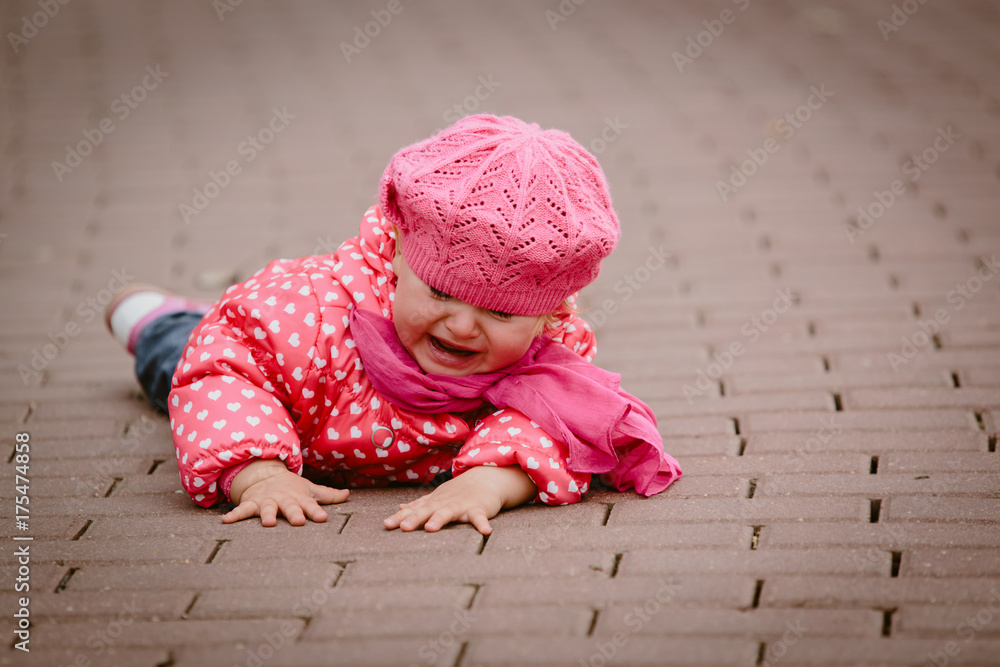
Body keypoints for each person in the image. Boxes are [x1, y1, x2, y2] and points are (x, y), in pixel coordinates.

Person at [106, 114, 682, 534]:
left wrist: (489, 483)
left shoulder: (550, 357)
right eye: (438, 292)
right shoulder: (310, 314)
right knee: (180, 357)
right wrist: (257, 475)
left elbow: (552, 428)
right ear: (398, 252)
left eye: (500, 312)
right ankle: (151, 318)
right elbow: (226, 375)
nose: (461, 326)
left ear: (547, 315)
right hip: (274, 392)